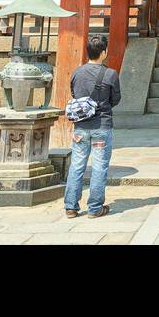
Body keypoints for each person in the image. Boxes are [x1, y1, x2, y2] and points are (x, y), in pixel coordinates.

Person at [64, 34, 122, 218]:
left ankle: (71, 207)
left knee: (77, 165)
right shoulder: (110, 74)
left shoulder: (77, 72)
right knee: (99, 166)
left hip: (80, 127)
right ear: (104, 52)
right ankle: (95, 208)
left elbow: (74, 93)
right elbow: (116, 99)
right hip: (102, 126)